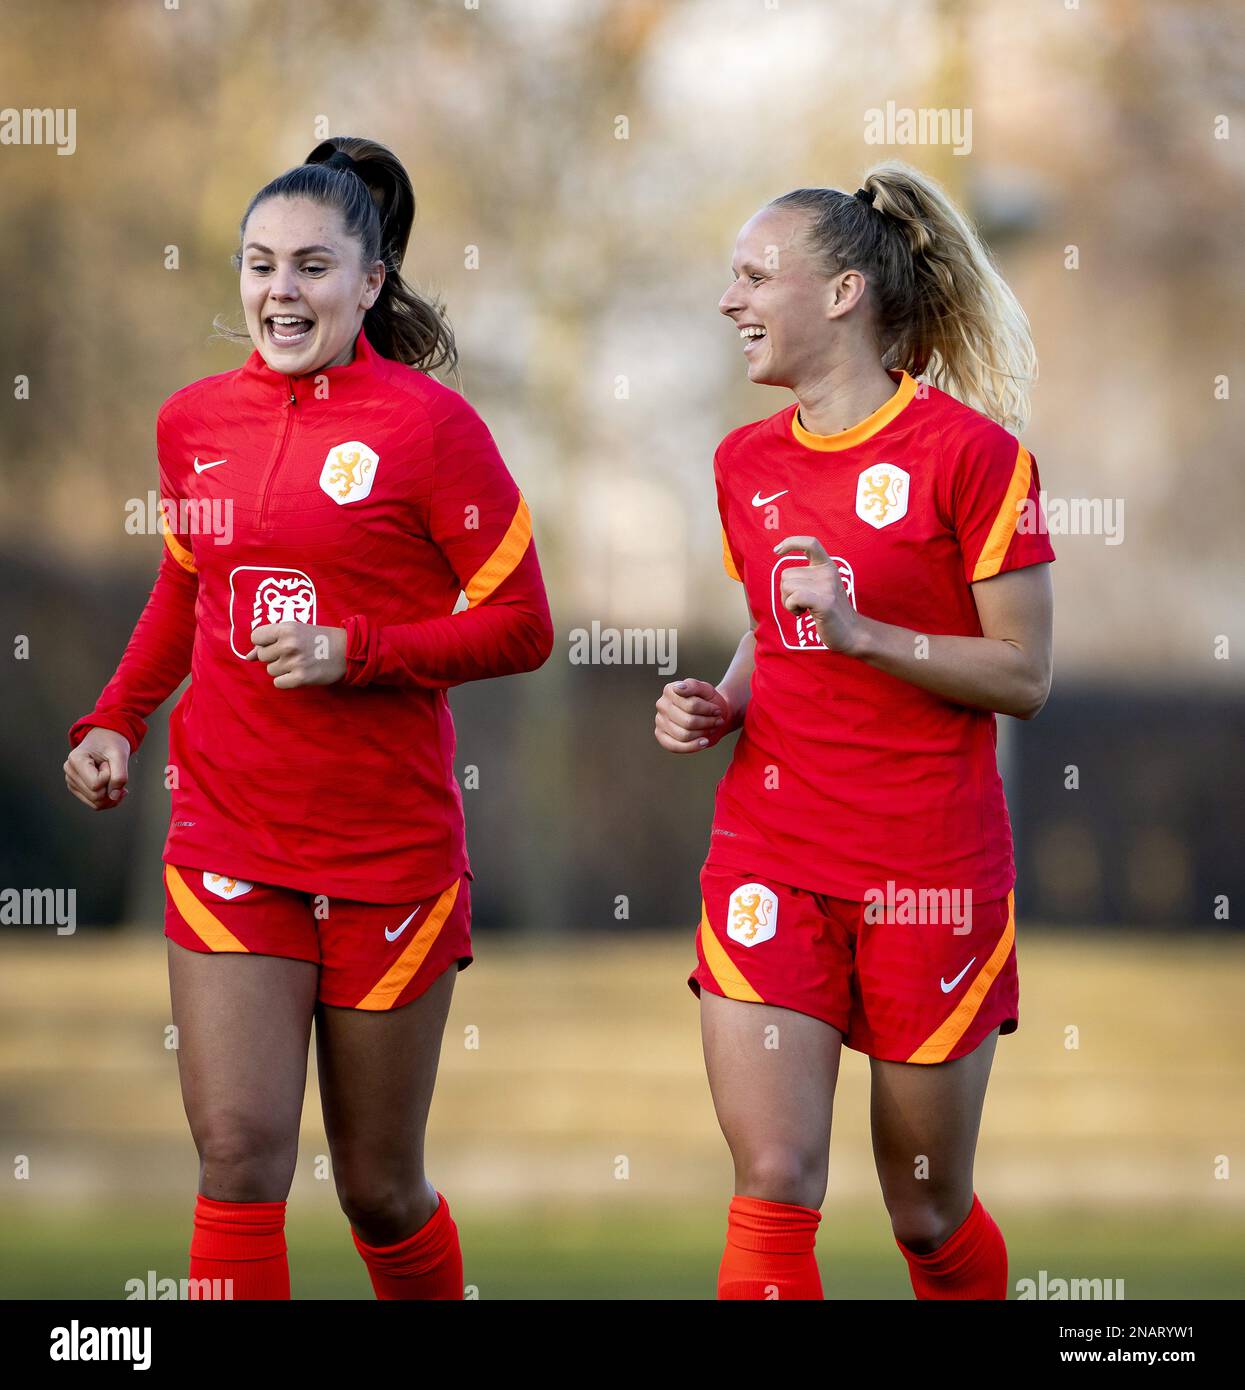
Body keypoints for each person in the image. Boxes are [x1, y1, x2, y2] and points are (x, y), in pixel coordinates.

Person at [63, 137, 553, 1300]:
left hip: (388, 854)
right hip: (230, 836)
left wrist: (361, 651)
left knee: (379, 1188)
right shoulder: (193, 424)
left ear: (371, 282)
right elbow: (189, 585)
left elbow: (525, 624)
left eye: (314, 267)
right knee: (237, 1157)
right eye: (260, 264)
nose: (281, 291)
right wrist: (116, 719)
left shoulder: (431, 430)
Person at [654, 162, 1055, 1300]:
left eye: (752, 275)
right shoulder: (744, 463)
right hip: (770, 857)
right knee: (775, 1177)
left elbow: (1024, 675)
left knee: (925, 1211)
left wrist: (866, 633)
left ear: (839, 294)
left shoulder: (976, 458)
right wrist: (725, 699)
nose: (729, 300)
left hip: (931, 873)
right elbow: (777, 628)